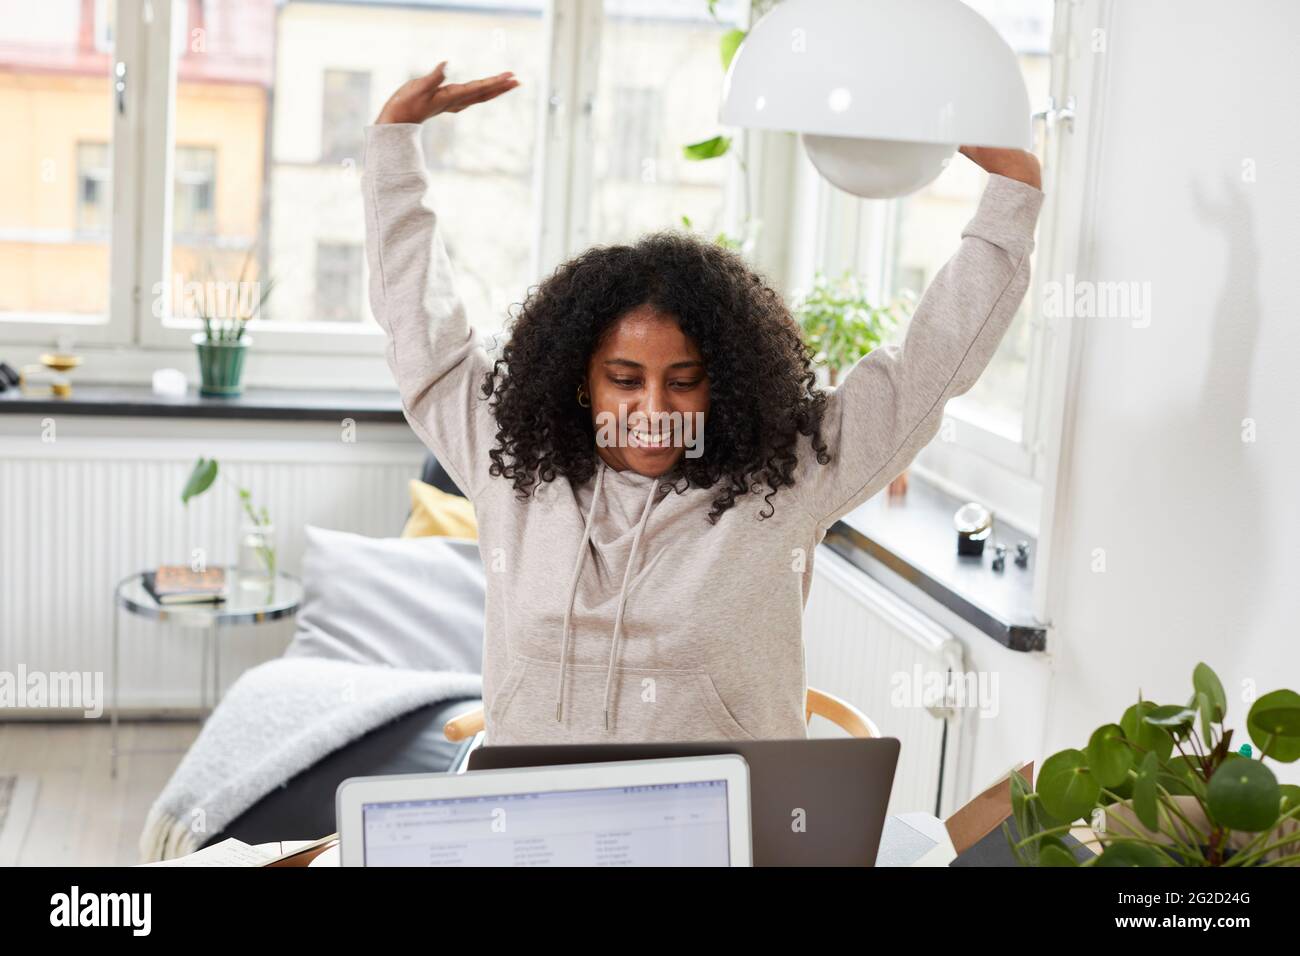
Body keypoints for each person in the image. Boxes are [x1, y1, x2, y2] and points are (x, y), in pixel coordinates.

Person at [362, 63, 1044, 745]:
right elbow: (427, 343)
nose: (654, 406)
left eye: (684, 379)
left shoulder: (788, 474)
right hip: (538, 826)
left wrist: (1013, 194)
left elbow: (925, 369)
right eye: (625, 379)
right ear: (582, 381)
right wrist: (394, 146)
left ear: (722, 381)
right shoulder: (512, 470)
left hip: (731, 829)